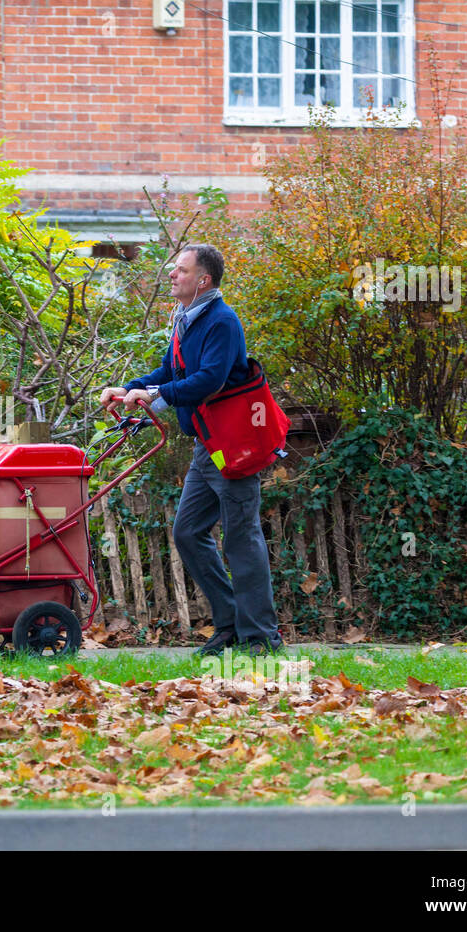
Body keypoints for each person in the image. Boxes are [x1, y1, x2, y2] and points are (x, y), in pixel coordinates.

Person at [98, 244, 283, 657]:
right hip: (207, 446)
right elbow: (170, 372)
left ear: (203, 280)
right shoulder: (187, 320)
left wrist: (154, 394)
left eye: (180, 270)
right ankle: (231, 624)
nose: (171, 275)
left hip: (231, 447)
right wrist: (130, 388)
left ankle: (261, 637)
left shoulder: (221, 321)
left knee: (242, 537)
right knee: (188, 532)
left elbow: (208, 381)